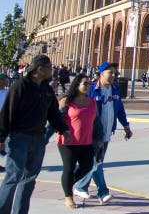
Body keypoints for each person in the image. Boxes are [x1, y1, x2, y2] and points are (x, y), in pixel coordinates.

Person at [0, 54, 70, 214]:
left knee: (29, 179)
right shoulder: (20, 86)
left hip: (38, 139)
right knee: (13, 176)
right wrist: (1, 137)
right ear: (40, 69)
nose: (51, 70)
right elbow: (6, 113)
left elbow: (53, 113)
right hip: (19, 138)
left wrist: (63, 129)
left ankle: (20, 211)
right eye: (49, 67)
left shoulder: (46, 89)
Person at [73, 62, 132, 205]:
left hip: (107, 132)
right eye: (109, 72)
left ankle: (80, 185)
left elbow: (119, 110)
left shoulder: (115, 90)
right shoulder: (92, 89)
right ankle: (103, 192)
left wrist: (126, 126)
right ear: (101, 74)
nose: (113, 75)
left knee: (94, 162)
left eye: (114, 73)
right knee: (96, 163)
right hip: (93, 133)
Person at [57, 74, 99, 209]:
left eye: (89, 84)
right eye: (85, 84)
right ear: (76, 85)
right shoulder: (66, 101)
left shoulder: (92, 101)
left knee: (87, 166)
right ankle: (68, 197)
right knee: (69, 168)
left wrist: (99, 138)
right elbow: (57, 119)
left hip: (86, 141)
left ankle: (67, 184)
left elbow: (97, 122)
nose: (88, 86)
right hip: (68, 142)